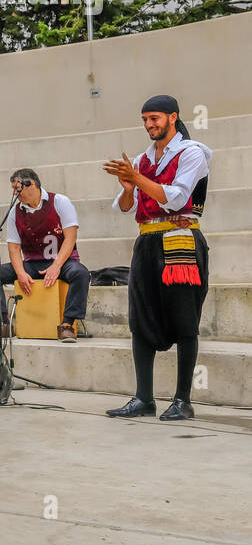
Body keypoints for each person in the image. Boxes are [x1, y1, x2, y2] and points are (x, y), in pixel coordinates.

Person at [103, 95, 212, 421]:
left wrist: (137, 179)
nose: (150, 125)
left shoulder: (192, 153)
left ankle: (183, 399)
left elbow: (177, 197)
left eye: (155, 118)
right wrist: (126, 186)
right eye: (146, 120)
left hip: (179, 237)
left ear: (173, 117)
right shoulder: (141, 160)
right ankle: (143, 398)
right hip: (147, 242)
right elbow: (127, 207)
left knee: (184, 320)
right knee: (140, 319)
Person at [0, 169, 89, 343]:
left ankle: (67, 324)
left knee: (81, 273)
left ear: (31, 184)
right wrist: (21, 273)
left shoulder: (60, 201)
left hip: (62, 261)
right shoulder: (15, 212)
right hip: (33, 263)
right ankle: (3, 324)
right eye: (13, 189)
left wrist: (56, 266)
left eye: (18, 188)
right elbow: (14, 248)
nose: (14, 193)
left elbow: (70, 238)